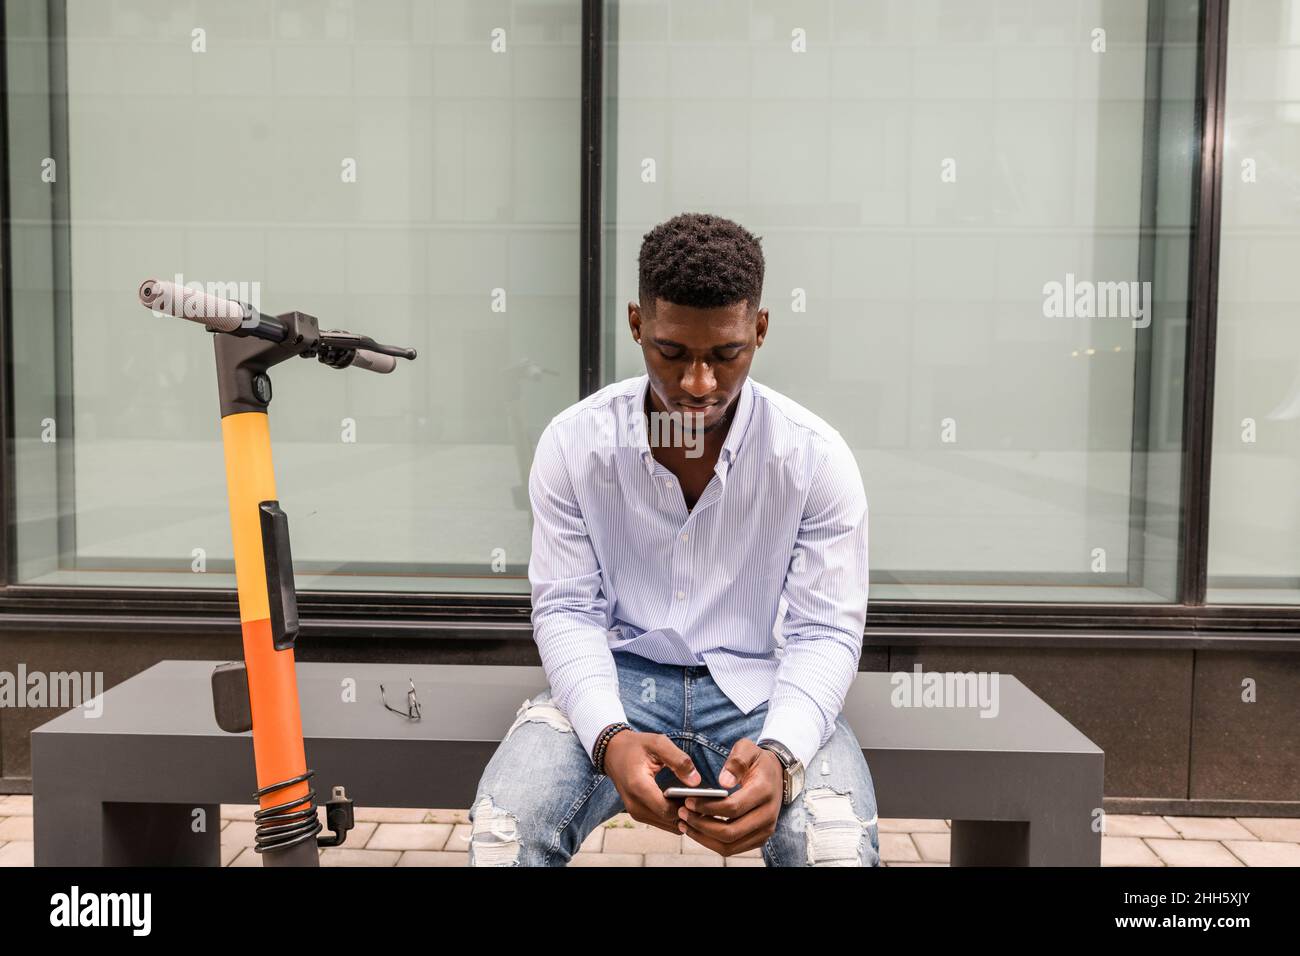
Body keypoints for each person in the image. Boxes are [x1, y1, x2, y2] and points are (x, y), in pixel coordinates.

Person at [468, 212, 879, 866]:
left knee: (833, 848)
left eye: (726, 355)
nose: (698, 385)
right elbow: (567, 609)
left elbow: (825, 631)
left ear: (760, 329)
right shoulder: (575, 445)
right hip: (616, 682)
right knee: (504, 832)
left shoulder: (814, 458)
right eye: (672, 352)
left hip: (761, 693)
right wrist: (609, 738)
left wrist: (781, 756)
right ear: (637, 324)